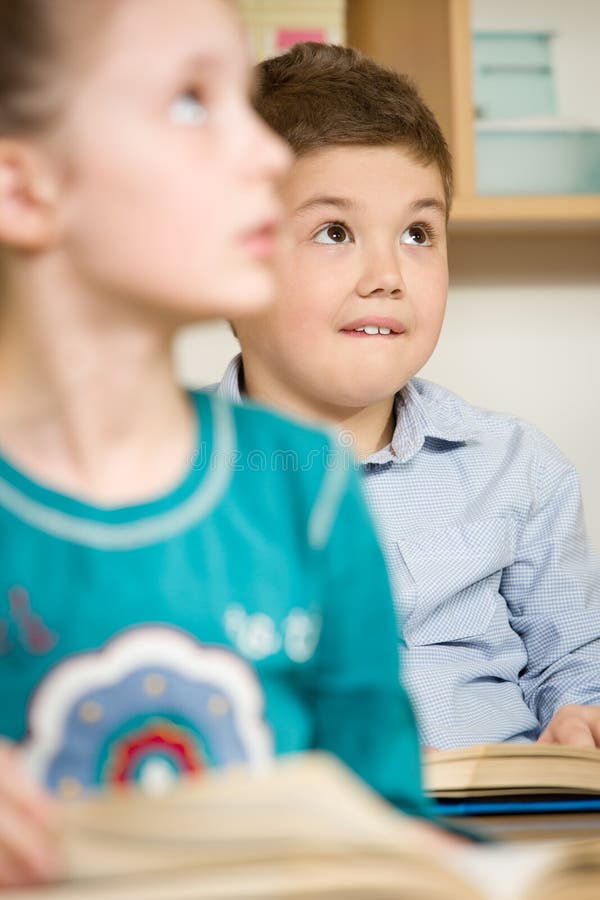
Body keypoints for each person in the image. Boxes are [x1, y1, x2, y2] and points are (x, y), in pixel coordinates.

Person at [0, 5, 435, 888]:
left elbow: (393, 833)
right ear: (23, 188)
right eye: (193, 102)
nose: (269, 156)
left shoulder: (308, 488)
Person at [219, 42, 600, 755]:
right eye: (335, 231)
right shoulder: (172, 477)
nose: (388, 274)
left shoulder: (516, 469)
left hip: (497, 829)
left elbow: (578, 668)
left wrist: (583, 717)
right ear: (232, 261)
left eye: (418, 233)